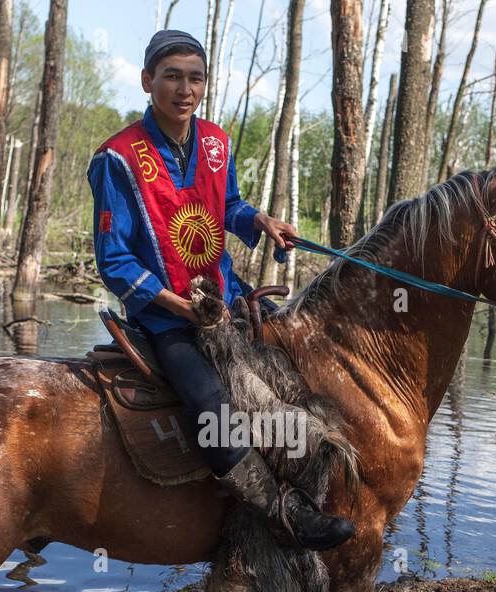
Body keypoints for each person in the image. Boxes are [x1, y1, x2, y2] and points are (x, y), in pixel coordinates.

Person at [87, 29, 353, 551]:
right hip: (165, 316)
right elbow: (113, 259)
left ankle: (312, 475)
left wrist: (260, 219)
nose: (185, 89)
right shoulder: (116, 158)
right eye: (172, 77)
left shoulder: (215, 142)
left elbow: (227, 205)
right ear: (147, 82)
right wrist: (175, 305)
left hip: (228, 296)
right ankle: (281, 514)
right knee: (211, 405)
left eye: (196, 78)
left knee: (300, 357)